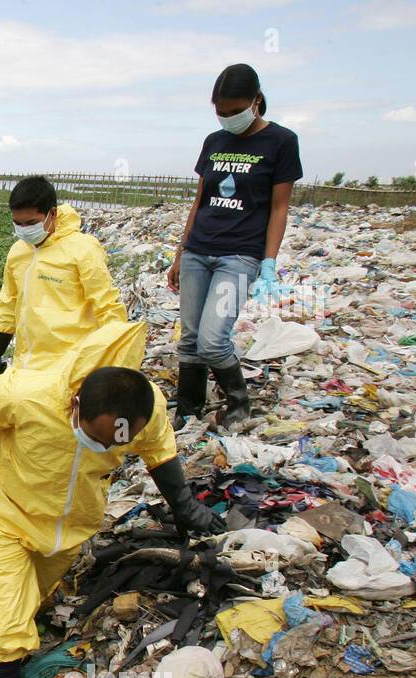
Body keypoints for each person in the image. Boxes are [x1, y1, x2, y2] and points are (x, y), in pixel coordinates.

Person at [0, 322, 226, 678]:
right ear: (75, 405)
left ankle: (3, 612)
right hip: (5, 509)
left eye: (115, 442)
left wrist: (186, 507)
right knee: (9, 616)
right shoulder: (21, 395)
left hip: (70, 522)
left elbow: (159, 451)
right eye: (95, 437)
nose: (105, 446)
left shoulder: (147, 405)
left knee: (34, 596)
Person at [167, 63, 302, 429]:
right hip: (198, 250)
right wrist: (180, 253)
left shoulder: (281, 142)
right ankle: (189, 409)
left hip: (240, 255)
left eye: (235, 111)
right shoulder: (214, 142)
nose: (228, 119)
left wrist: (268, 262)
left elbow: (279, 207)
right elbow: (200, 201)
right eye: (221, 112)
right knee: (191, 337)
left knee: (213, 339)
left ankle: (239, 401)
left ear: (256, 101)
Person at [0, 175, 127, 377]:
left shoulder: (82, 249)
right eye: (18, 223)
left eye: (31, 223)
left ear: (52, 214)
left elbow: (107, 305)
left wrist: (113, 362)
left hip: (72, 364)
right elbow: (9, 302)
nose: (24, 230)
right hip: (27, 363)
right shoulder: (18, 252)